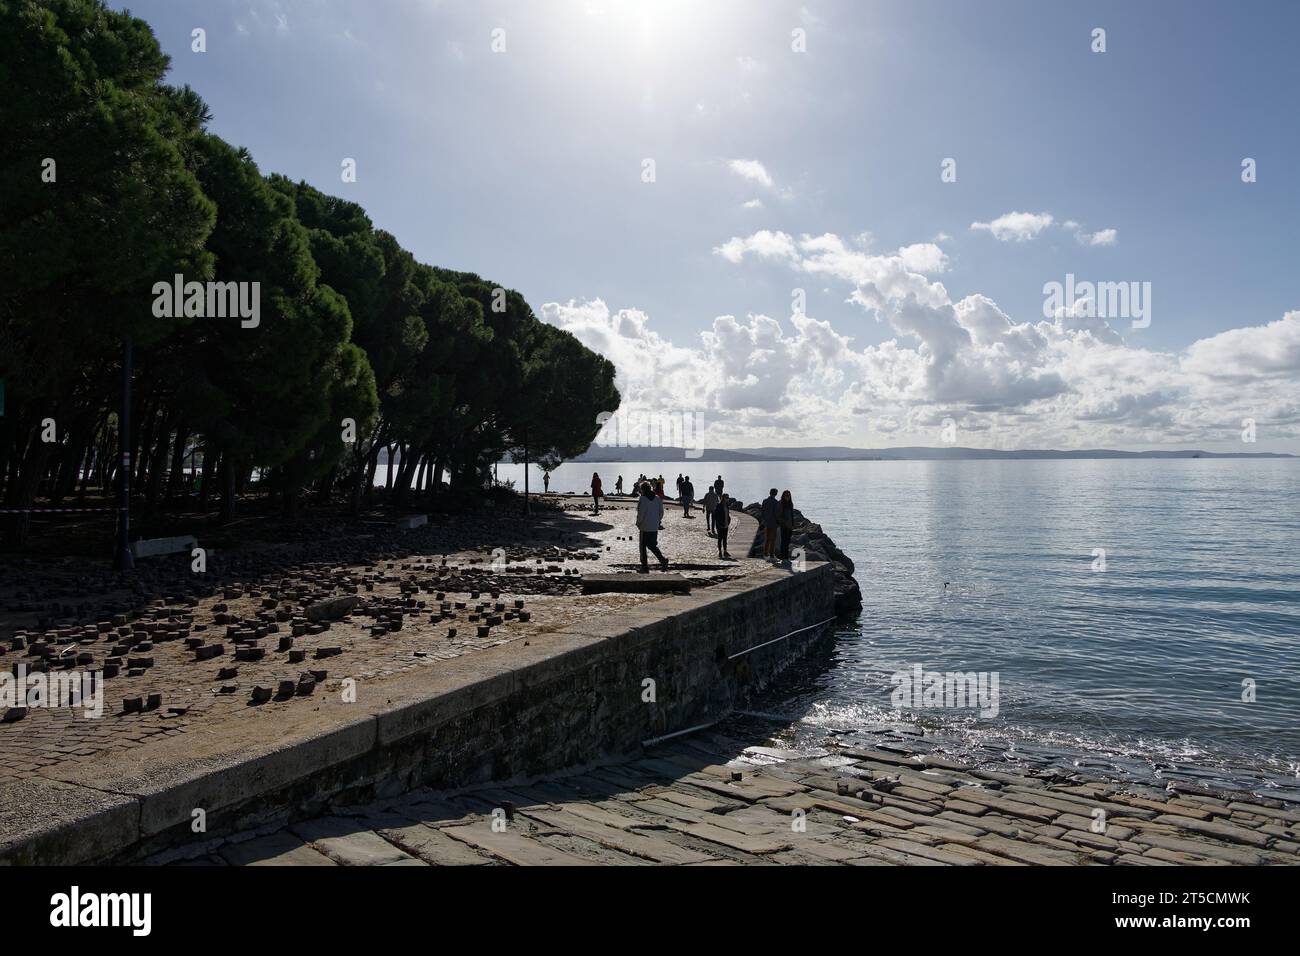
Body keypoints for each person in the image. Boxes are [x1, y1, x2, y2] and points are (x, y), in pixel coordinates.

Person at [636, 481, 669, 571]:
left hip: (645, 526)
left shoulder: (642, 499)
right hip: (654, 526)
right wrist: (657, 521)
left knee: (643, 547)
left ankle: (644, 566)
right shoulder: (657, 498)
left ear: (643, 489)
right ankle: (663, 560)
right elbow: (661, 512)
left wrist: (638, 523)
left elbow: (641, 513)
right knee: (652, 545)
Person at [760, 487, 780, 560]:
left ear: (770, 493)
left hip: (766, 522)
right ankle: (771, 555)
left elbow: (762, 511)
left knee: (767, 539)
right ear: (776, 494)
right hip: (774, 523)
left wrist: (763, 520)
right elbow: (776, 514)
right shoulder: (776, 502)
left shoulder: (765, 501)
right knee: (773, 539)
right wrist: (779, 522)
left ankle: (765, 554)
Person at [779, 490, 795, 562]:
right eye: (786, 495)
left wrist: (792, 524)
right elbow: (779, 516)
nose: (787, 497)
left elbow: (792, 515)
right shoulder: (781, 504)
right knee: (783, 542)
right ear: (783, 496)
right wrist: (784, 523)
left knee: (787, 542)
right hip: (784, 526)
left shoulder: (790, 504)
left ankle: (786, 556)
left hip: (790, 526)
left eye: (789, 495)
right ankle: (783, 557)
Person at [714, 493, 732, 558]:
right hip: (720, 525)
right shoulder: (719, 505)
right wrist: (719, 524)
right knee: (720, 539)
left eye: (728, 497)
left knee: (725, 539)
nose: (728, 499)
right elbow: (716, 516)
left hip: (726, 524)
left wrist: (729, 520)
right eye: (727, 497)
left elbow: (727, 515)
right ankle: (719, 552)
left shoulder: (727, 505)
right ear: (723, 498)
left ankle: (725, 551)